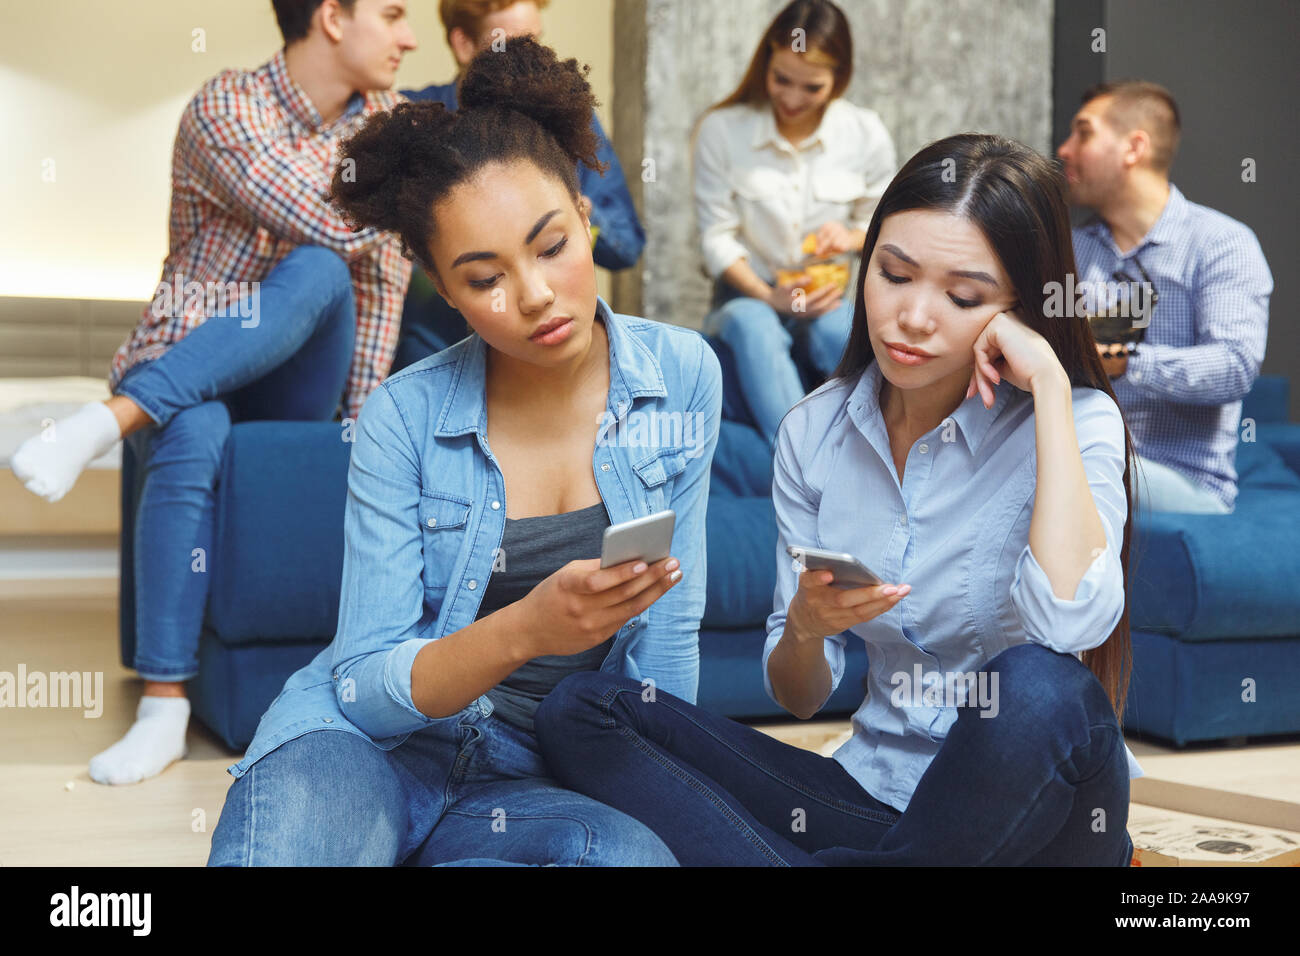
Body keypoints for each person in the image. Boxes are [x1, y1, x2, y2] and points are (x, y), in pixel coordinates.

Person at [535, 133, 1143, 867]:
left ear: (1019, 305)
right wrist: (803, 626)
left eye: (963, 296)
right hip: (876, 799)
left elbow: (1067, 622)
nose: (913, 317)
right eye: (893, 274)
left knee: (1037, 684)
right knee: (587, 710)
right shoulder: (815, 431)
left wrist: (1047, 382)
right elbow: (798, 697)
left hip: (1043, 818)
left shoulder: (1076, 420)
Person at [207, 37, 722, 866]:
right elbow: (364, 691)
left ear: (587, 220)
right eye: (484, 278)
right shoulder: (400, 417)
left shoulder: (682, 374)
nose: (535, 296)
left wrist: (666, 794)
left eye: (551, 246)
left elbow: (670, 627)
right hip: (370, 750)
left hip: (541, 780)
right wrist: (524, 630)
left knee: (630, 858)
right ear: (444, 292)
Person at [9, 0, 417, 785]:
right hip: (186, 356)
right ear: (331, 15)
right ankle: (164, 706)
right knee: (194, 427)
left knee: (324, 272)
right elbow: (311, 211)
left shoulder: (387, 127)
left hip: (299, 385)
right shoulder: (225, 106)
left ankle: (107, 419)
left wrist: (359, 432)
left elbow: (381, 288)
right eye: (394, 13)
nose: (407, 37)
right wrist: (399, 203)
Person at [393, 0, 645, 372]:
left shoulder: (567, 115)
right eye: (509, 46)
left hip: (547, 350)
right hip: (435, 345)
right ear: (463, 44)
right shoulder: (412, 120)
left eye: (537, 42)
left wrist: (569, 218)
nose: (529, 59)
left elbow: (626, 245)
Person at [1058, 80, 1272, 514]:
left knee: (1058, 477)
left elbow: (1235, 365)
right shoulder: (1071, 248)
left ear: (1133, 148)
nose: (1064, 149)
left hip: (1181, 478)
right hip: (1084, 453)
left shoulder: (1221, 243)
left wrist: (1124, 363)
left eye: (1083, 132)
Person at [693, 0, 895, 446]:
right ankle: (798, 458)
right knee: (753, 324)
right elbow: (716, 237)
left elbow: (886, 229)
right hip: (749, 296)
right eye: (781, 79)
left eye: (812, 87)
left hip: (827, 299)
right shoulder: (722, 130)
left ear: (838, 79)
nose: (792, 99)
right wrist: (769, 295)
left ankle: (878, 452)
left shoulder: (864, 132)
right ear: (765, 60)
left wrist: (852, 237)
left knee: (838, 331)